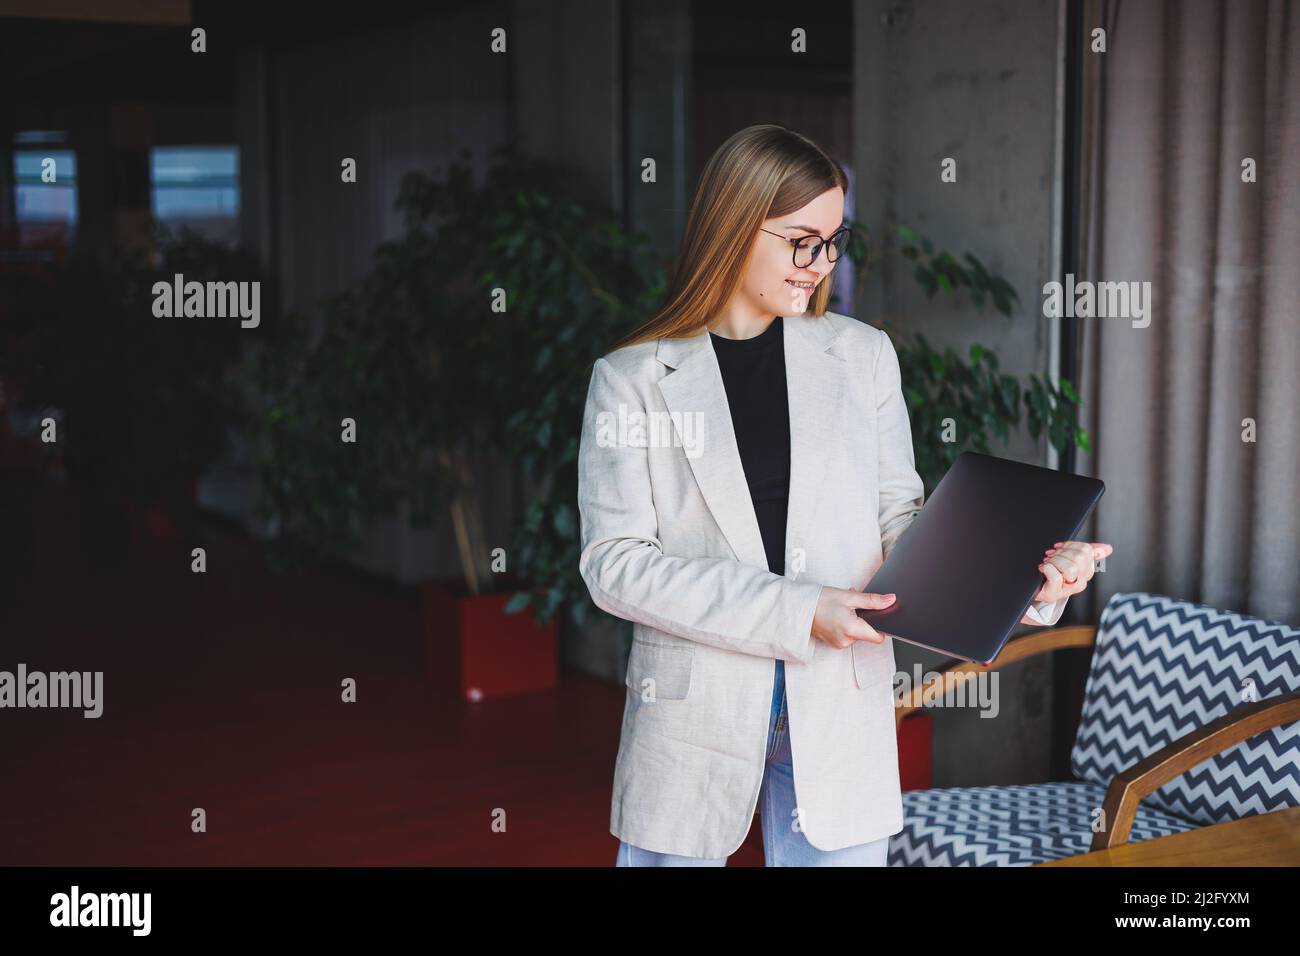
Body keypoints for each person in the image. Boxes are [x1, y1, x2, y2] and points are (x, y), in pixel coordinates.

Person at [577, 124, 1111, 866]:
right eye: (802, 240)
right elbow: (616, 565)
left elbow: (902, 527)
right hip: (692, 716)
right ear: (734, 225)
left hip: (839, 704)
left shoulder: (862, 357)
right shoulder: (630, 378)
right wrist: (802, 612)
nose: (821, 263)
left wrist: (1032, 577)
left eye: (832, 241)